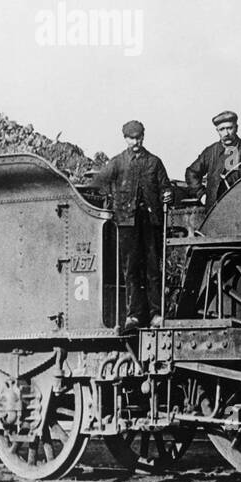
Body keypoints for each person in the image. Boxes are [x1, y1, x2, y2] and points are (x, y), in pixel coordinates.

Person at [94, 120, 174, 331]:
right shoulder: (118, 163)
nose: (135, 141)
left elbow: (166, 186)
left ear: (143, 137)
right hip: (127, 222)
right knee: (131, 270)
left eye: (138, 137)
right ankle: (134, 316)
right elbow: (99, 182)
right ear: (125, 139)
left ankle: (156, 314)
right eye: (131, 138)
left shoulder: (154, 162)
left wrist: (167, 194)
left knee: (152, 269)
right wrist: (112, 198)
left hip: (150, 222)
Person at [185, 110, 241, 208]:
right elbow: (191, 173)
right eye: (222, 129)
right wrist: (202, 195)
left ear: (236, 128)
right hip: (215, 210)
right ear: (217, 131)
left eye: (229, 128)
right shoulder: (210, 152)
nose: (226, 133)